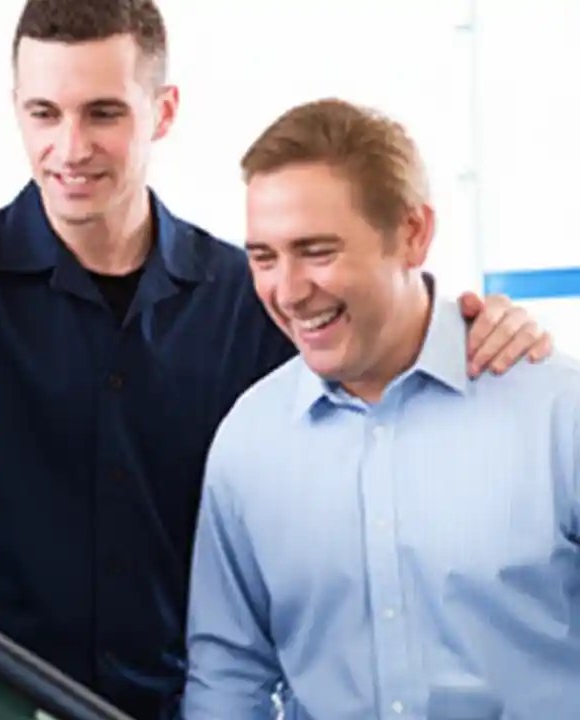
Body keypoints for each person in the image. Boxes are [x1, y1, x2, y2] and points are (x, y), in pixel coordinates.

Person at [0, 1, 553, 716]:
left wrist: (472, 328)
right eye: (43, 114)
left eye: (103, 113)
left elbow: (375, 342)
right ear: (16, 110)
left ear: (162, 113)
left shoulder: (250, 293)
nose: (70, 147)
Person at [181, 97, 580, 719]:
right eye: (263, 256)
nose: (287, 292)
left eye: (317, 251)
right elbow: (229, 677)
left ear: (413, 234)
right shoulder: (248, 444)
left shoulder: (556, 414)